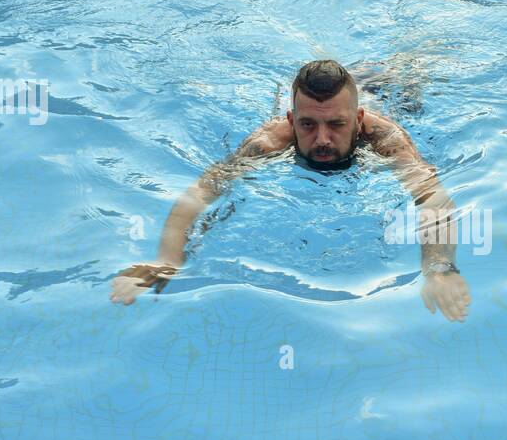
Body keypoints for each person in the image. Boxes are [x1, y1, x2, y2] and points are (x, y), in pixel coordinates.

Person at [109, 59, 472, 321]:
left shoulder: (385, 138)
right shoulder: (268, 142)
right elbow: (200, 194)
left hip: (384, 88)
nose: (322, 139)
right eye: (308, 125)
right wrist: (167, 260)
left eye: (337, 124)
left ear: (358, 121)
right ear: (290, 120)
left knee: (417, 72)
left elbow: (432, 197)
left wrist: (439, 268)